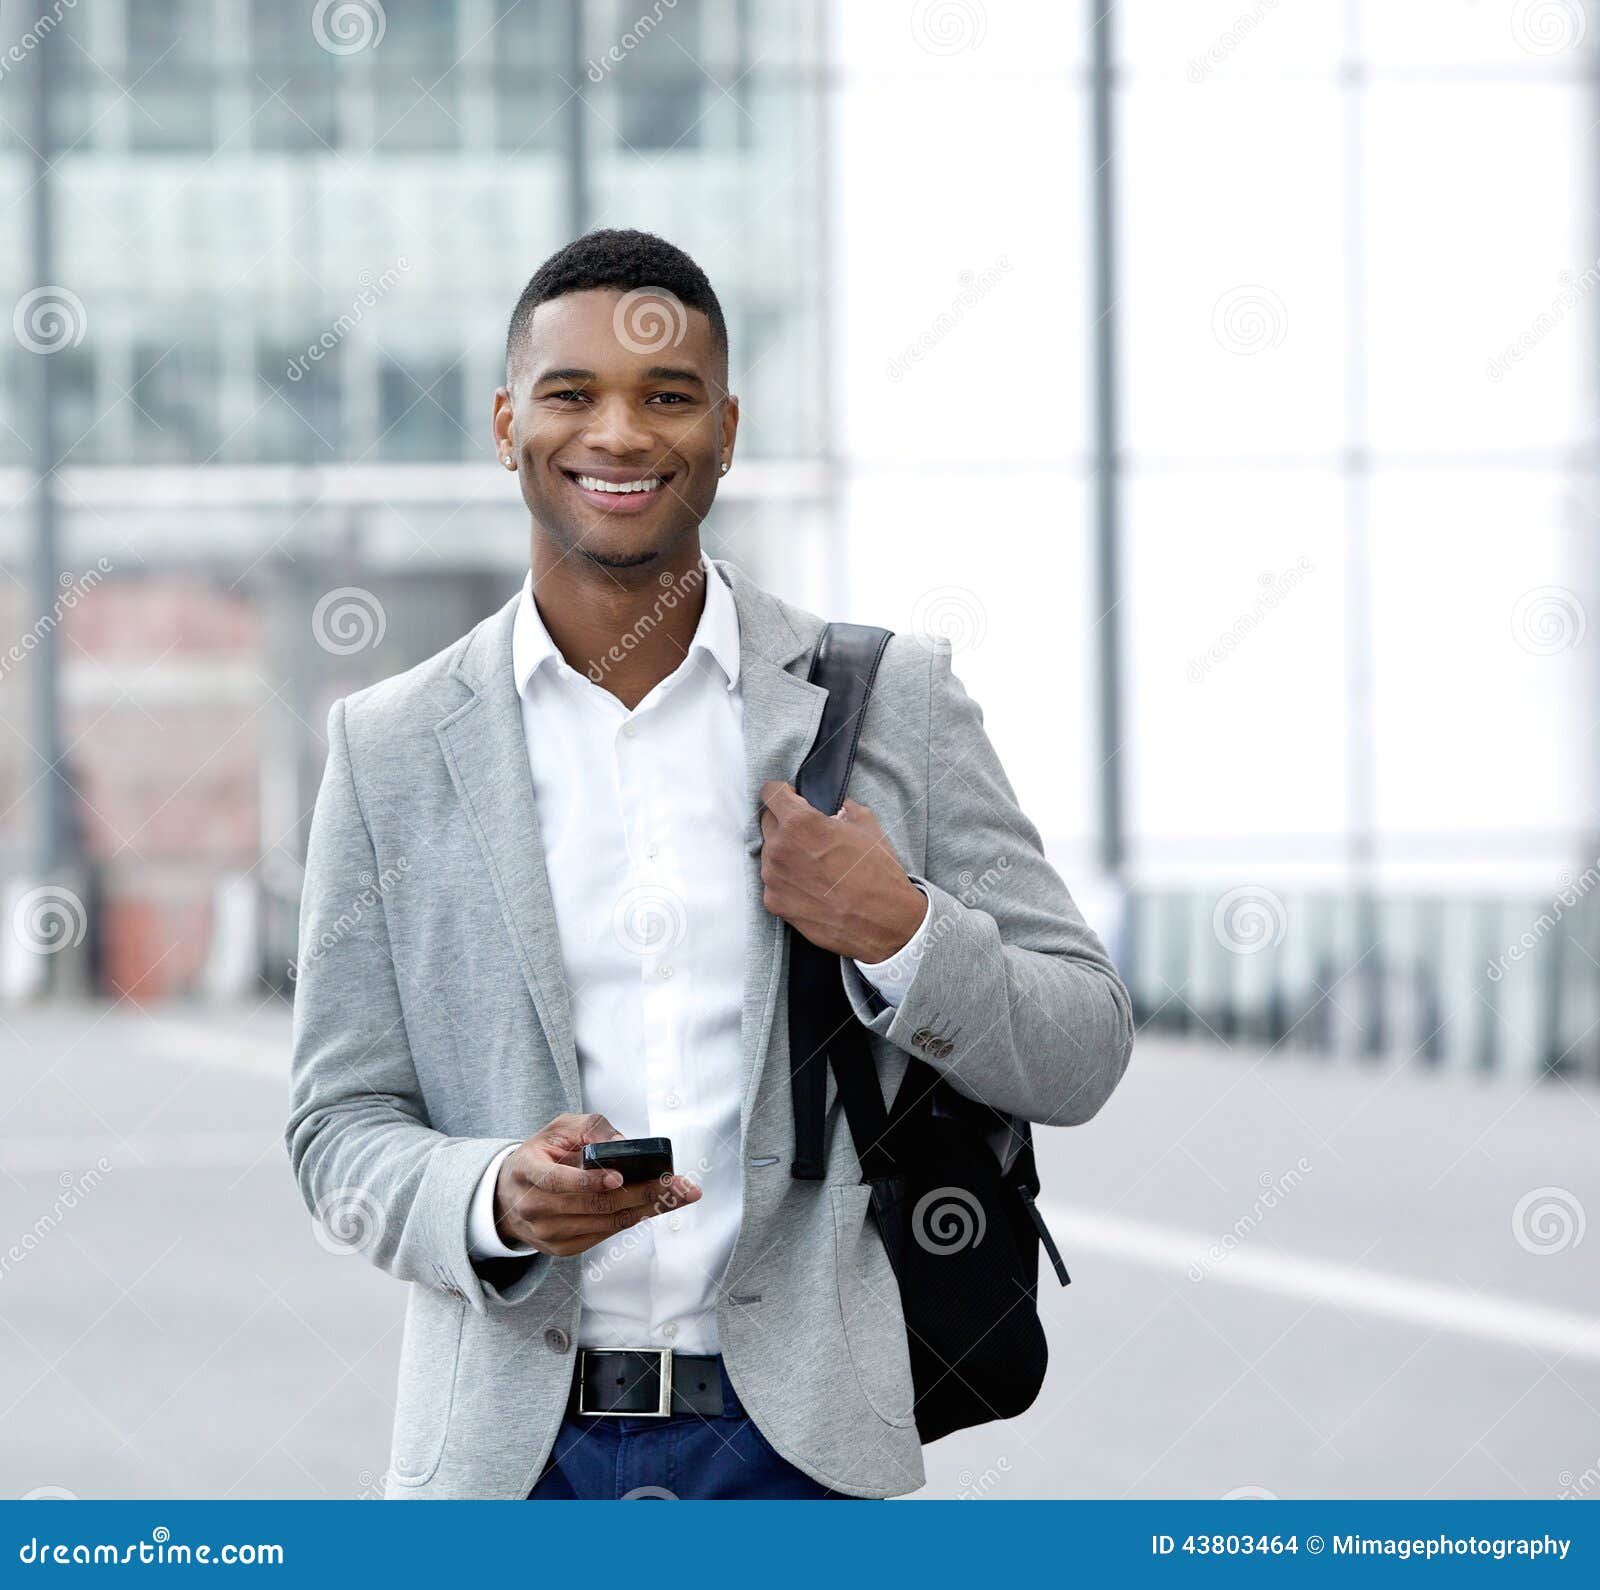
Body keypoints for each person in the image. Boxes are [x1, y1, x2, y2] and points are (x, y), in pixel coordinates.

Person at [286, 228, 1134, 1500]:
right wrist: (492, 1199)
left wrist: (900, 929)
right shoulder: (393, 745)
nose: (619, 434)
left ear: (725, 431)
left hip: (802, 1455)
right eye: (573, 395)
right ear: (508, 422)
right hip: (507, 1466)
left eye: (667, 398)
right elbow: (334, 1127)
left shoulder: (888, 699)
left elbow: (1083, 1045)